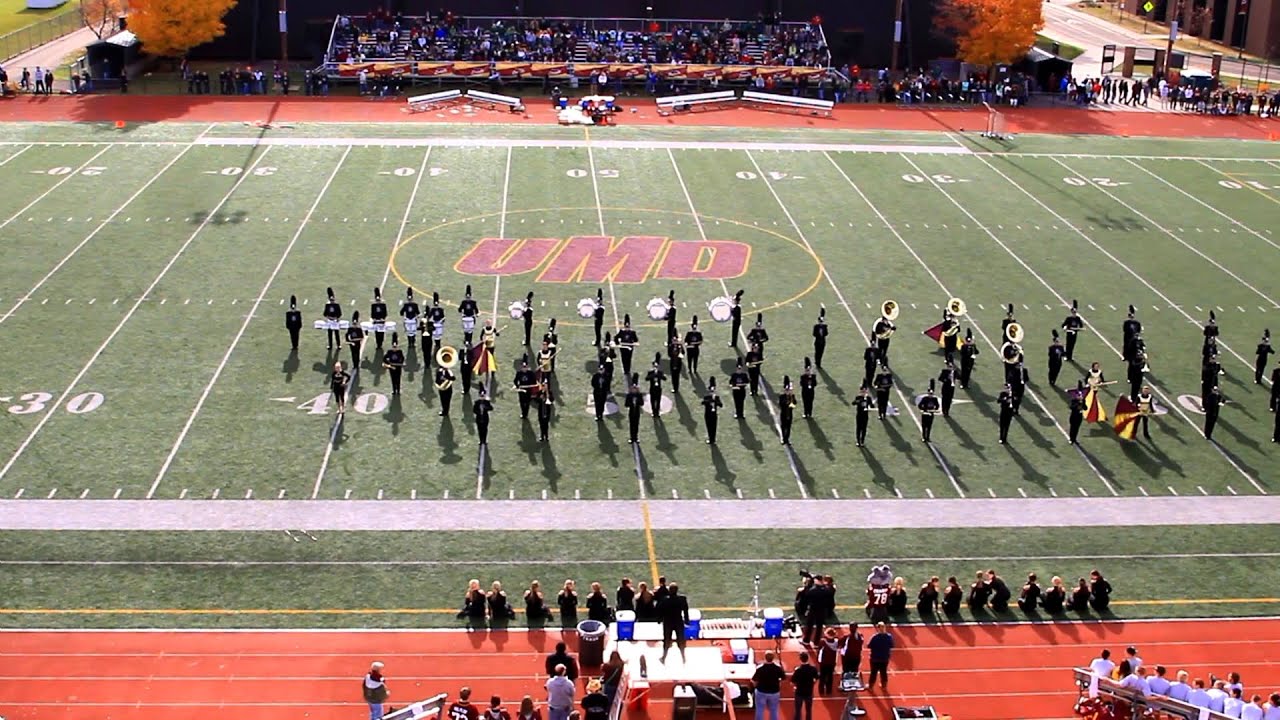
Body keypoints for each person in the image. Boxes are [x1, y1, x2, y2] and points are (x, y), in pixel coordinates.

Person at [660, 581, 690, 663]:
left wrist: (659, 619)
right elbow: (685, 611)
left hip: (668, 622)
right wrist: (687, 621)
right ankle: (683, 657)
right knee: (681, 640)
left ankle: (664, 657)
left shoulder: (665, 600)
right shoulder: (682, 599)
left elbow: (660, 611)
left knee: (666, 640)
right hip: (678, 621)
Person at [751, 650, 785, 720]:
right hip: (774, 692)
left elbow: (753, 680)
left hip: (761, 691)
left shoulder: (760, 668)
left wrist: (755, 686)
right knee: (774, 710)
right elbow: (783, 678)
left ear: (765, 657)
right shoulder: (777, 668)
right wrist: (779, 683)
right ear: (773, 658)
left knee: (760, 709)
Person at [790, 651, 819, 720]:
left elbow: (792, 682)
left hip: (799, 692)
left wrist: (795, 687)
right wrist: (813, 683)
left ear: (800, 659)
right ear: (808, 658)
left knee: (798, 710)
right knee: (808, 710)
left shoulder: (798, 670)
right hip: (809, 692)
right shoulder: (813, 669)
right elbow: (817, 678)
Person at [866, 622, 893, 691]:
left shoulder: (874, 637)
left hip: (875, 658)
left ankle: (871, 687)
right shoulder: (889, 636)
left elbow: (869, 645)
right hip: (884, 658)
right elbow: (891, 645)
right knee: (883, 672)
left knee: (873, 672)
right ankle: (884, 686)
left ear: (878, 628)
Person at [816, 628, 839, 695]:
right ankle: (829, 690)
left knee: (822, 676)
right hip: (832, 662)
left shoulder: (823, 641)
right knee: (830, 676)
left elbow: (819, 650)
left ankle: (821, 691)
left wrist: (817, 658)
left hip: (823, 662)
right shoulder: (836, 642)